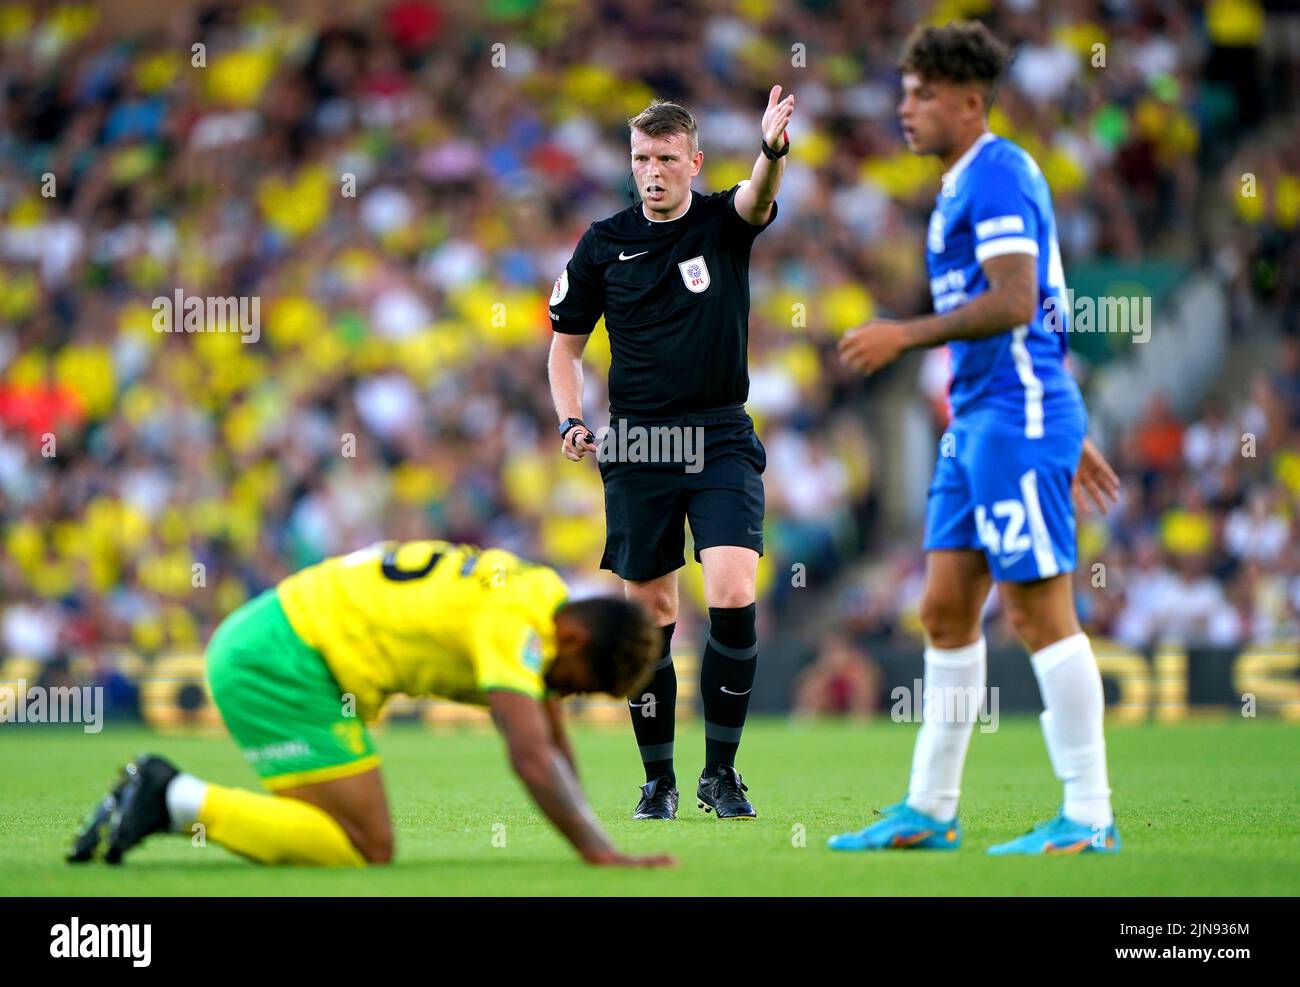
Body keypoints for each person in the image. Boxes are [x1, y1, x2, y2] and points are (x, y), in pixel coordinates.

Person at [831, 22, 1122, 855]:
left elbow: (1016, 300)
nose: (905, 108)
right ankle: (931, 805)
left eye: (921, 93)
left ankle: (1090, 812)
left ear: (968, 99)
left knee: (1037, 612)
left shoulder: (997, 173)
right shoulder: (962, 183)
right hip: (986, 418)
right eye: (903, 91)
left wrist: (904, 334)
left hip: (1011, 413)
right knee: (945, 609)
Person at [68, 539, 674, 868]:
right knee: (364, 846)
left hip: (281, 640)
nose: (564, 696)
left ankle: (167, 798)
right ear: (573, 639)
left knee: (345, 838)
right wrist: (601, 853)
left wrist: (594, 840)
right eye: (577, 684)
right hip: (280, 659)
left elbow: (549, 741)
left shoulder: (542, 593)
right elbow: (533, 759)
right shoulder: (513, 624)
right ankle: (169, 797)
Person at [546, 90, 793, 820]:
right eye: (640, 159)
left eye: (664, 158)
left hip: (718, 433)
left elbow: (758, 196)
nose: (652, 171)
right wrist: (569, 421)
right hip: (639, 441)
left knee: (732, 592)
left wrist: (774, 152)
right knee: (650, 613)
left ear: (693, 161)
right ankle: (659, 779)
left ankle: (722, 771)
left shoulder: (722, 221)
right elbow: (564, 351)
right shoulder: (601, 243)